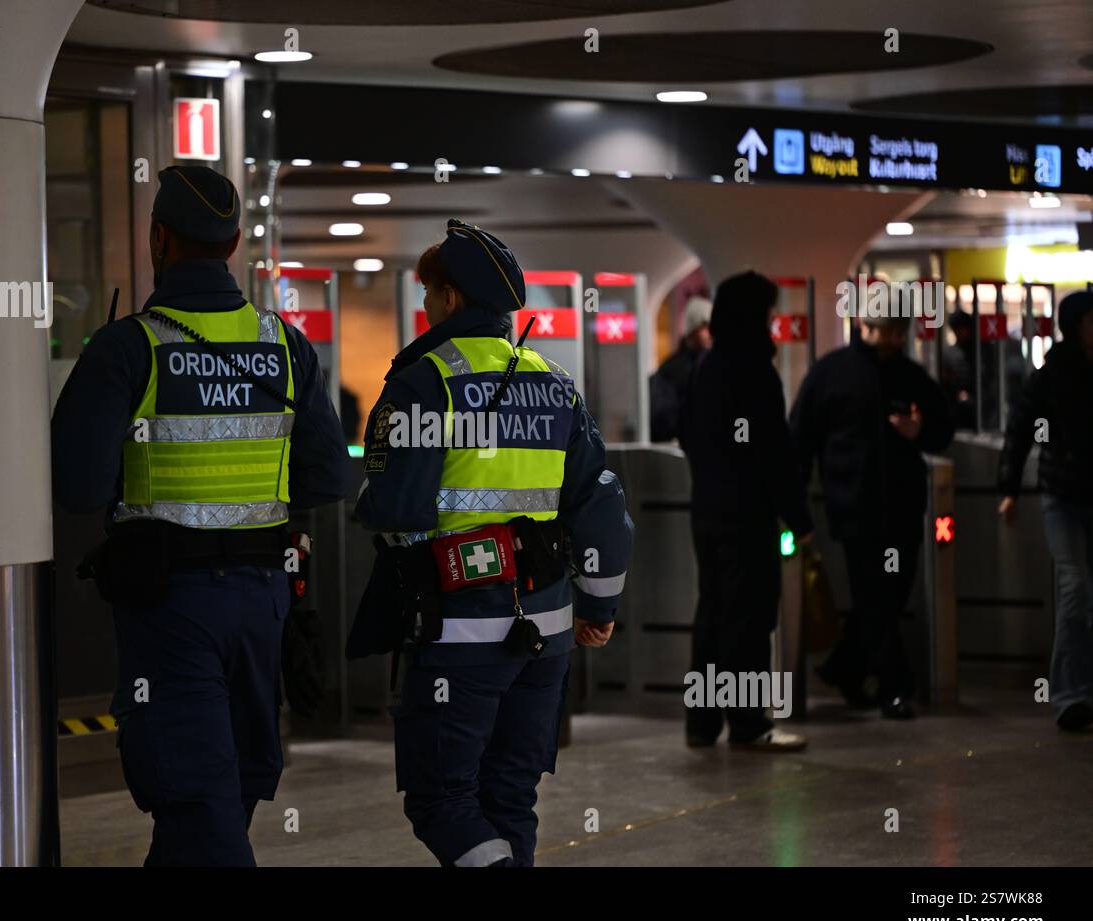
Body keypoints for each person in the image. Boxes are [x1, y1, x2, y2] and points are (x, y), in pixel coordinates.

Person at [51, 165, 347, 865]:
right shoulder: (285, 344)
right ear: (236, 242)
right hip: (261, 604)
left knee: (199, 803)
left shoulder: (129, 346)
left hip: (170, 608)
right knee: (221, 797)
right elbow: (329, 476)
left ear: (159, 239)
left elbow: (78, 487)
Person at [347, 219, 633, 866]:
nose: (423, 305)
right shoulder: (555, 383)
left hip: (457, 632)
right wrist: (599, 608)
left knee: (441, 799)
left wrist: (369, 502)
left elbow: (394, 506)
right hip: (549, 629)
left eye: (428, 293)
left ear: (450, 298)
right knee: (510, 795)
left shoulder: (422, 380)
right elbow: (604, 505)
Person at [790, 311, 954, 719]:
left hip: (899, 505)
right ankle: (894, 687)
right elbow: (801, 439)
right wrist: (794, 506)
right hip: (855, 508)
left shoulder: (909, 376)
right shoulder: (832, 373)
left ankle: (844, 668)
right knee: (876, 596)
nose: (892, 339)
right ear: (864, 324)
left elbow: (944, 425)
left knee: (889, 595)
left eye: (898, 331)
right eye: (886, 330)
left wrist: (921, 433)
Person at [678, 272, 811, 751]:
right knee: (750, 620)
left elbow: (686, 436)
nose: (773, 323)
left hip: (707, 511)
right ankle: (750, 724)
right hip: (747, 516)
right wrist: (799, 518)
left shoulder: (705, 367)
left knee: (712, 614)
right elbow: (775, 453)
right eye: (768, 313)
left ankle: (701, 724)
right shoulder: (754, 370)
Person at [998, 290, 1093, 732]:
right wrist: (1009, 489)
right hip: (1064, 495)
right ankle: (1069, 694)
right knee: (1074, 585)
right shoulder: (1052, 375)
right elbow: (1021, 431)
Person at [650, 294, 712, 442]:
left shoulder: (714, 366)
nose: (710, 334)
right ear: (692, 330)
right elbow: (663, 420)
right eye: (705, 327)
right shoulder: (672, 370)